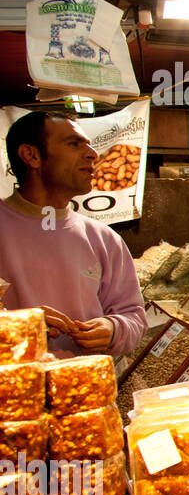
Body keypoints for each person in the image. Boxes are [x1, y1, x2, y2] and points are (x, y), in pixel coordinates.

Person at [1, 110, 146, 356]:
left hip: (85, 390)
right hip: (13, 389)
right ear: (32, 156)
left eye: (88, 145)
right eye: (73, 144)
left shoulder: (104, 239)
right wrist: (19, 325)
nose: (92, 154)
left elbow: (133, 316)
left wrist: (112, 328)